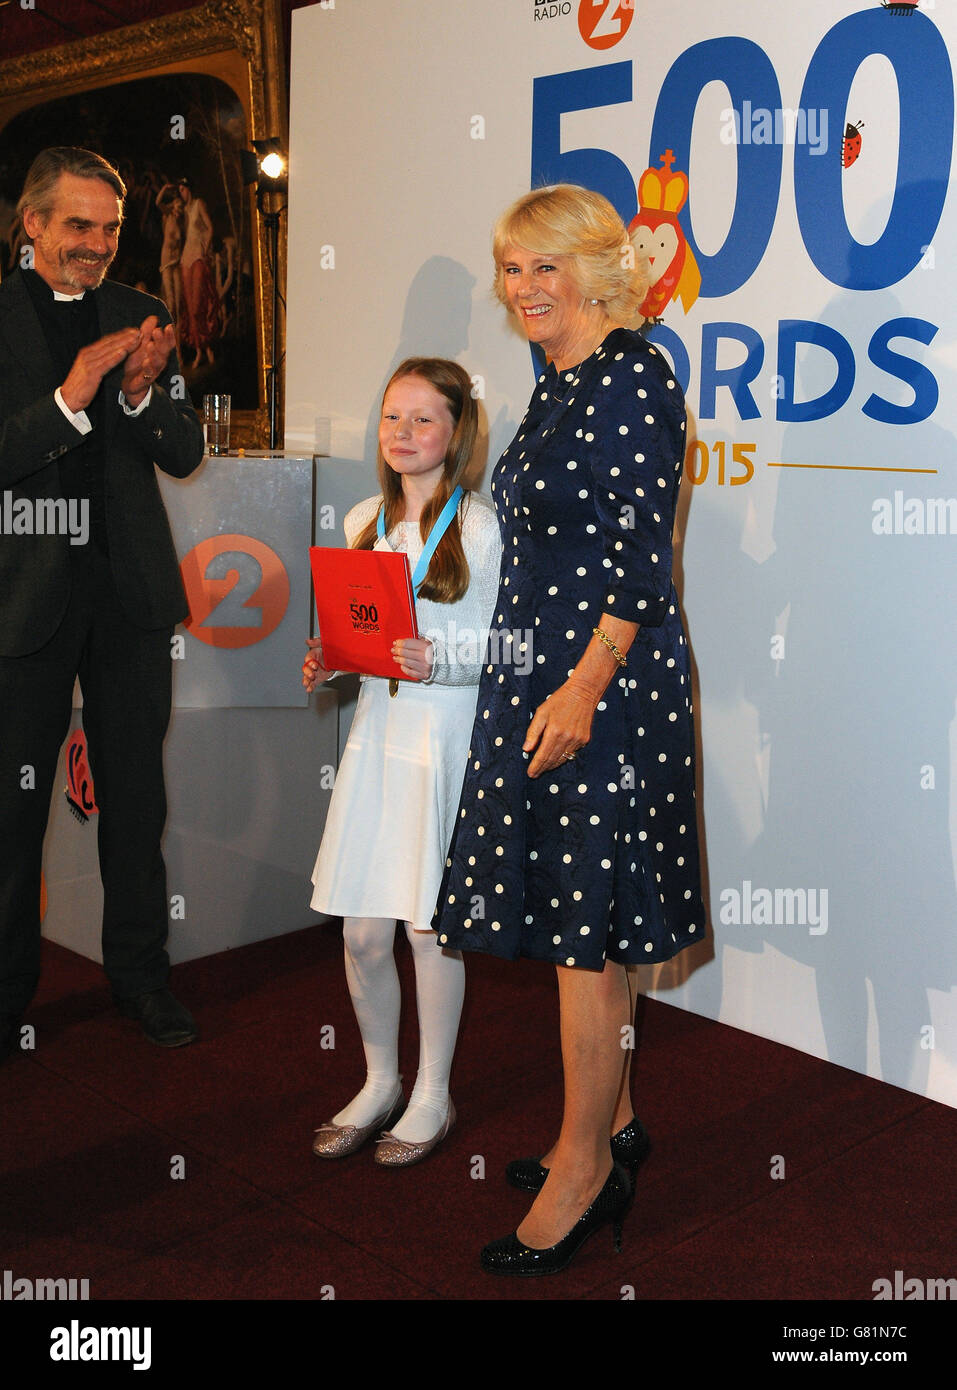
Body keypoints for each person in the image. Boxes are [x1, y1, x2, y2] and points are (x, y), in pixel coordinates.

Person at [433, 185, 706, 1273]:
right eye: (509, 267)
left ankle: (586, 1166)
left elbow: (639, 568)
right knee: (583, 922)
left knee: (585, 942)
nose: (523, 288)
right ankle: (610, 1123)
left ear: (599, 270)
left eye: (545, 266)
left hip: (601, 690)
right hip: (543, 679)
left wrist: (584, 690)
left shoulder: (635, 374)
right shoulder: (561, 382)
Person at [0, 147, 205, 1061]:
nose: (97, 245)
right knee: (14, 812)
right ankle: (7, 998)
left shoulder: (142, 314)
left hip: (128, 595)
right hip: (22, 603)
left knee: (135, 798)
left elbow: (184, 451)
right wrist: (72, 397)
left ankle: (141, 978)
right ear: (31, 222)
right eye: (78, 225)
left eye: (110, 228)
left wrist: (141, 392)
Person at [303, 358, 501, 1165]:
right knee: (359, 934)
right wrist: (335, 658)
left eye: (424, 420)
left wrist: (437, 657)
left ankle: (431, 1093)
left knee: (428, 931)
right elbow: (363, 636)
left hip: (442, 741)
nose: (404, 435)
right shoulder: (360, 519)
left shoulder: (482, 527)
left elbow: (507, 649)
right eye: (393, 418)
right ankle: (379, 1079)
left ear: (457, 433)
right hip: (375, 743)